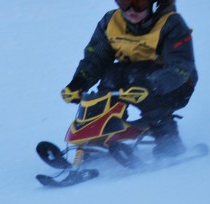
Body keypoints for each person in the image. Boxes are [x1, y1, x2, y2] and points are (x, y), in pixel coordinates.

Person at [61, 0, 198, 157]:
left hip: (176, 84)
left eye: (139, 4)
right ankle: (98, 139)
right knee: (110, 76)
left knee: (138, 79)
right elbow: (96, 58)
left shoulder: (171, 24)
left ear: (154, 4)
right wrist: (80, 82)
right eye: (124, 3)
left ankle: (168, 142)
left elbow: (180, 67)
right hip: (134, 78)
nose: (131, 10)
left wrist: (151, 85)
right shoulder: (111, 21)